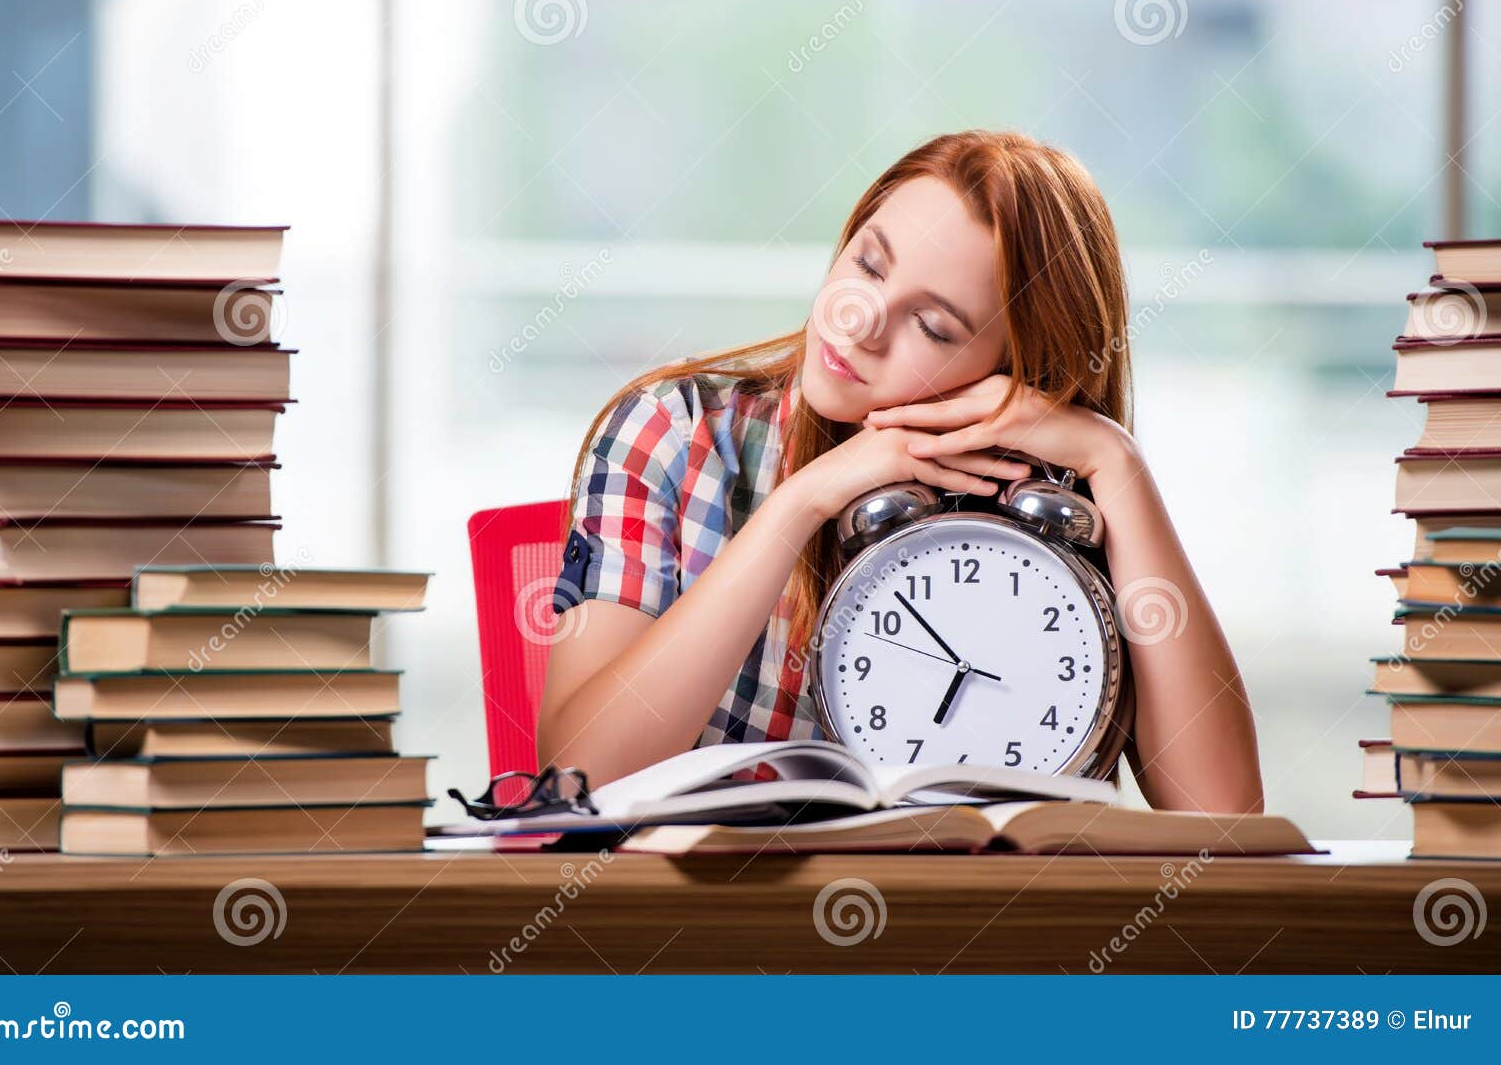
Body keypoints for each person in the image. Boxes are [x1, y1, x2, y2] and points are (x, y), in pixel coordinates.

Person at [537, 129, 1263, 814]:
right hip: (707, 930)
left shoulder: (1055, 503)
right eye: (869, 263)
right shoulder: (673, 431)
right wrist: (800, 504)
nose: (860, 321)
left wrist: (1116, 461)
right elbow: (580, 776)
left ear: (1016, 369)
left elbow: (1222, 813)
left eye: (934, 326)